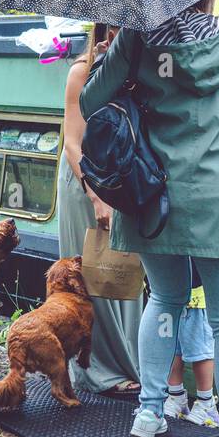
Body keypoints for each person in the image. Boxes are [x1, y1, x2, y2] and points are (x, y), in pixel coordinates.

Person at [80, 0, 219, 437]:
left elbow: (90, 103)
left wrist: (114, 60)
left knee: (164, 301)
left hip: (153, 196)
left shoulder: (136, 39)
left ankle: (149, 412)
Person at [57, 23, 141, 396]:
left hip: (122, 180)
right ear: (103, 28)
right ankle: (97, 371)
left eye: (130, 27)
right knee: (92, 274)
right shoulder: (81, 71)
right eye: (116, 26)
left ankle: (131, 363)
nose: (121, 33)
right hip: (84, 180)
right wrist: (96, 196)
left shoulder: (139, 71)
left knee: (127, 273)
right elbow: (73, 142)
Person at [163, 258, 219, 427]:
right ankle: (205, 404)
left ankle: (175, 397)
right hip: (196, 294)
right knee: (201, 353)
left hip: (169, 291)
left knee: (174, 348)